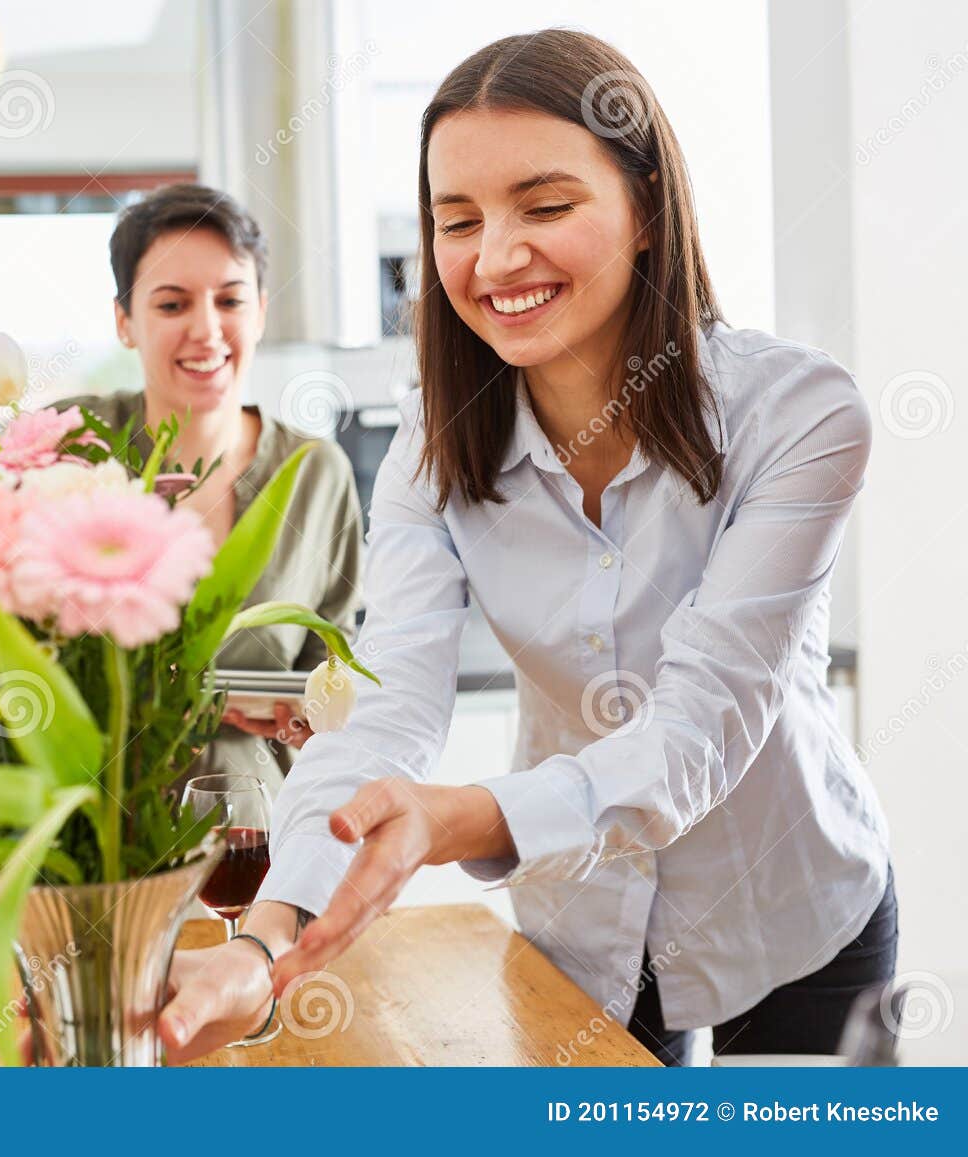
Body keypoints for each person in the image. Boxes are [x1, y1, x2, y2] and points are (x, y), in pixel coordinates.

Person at [158, 29, 894, 1066]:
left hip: (792, 913)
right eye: (455, 219)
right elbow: (389, 700)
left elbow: (695, 732)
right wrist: (265, 932)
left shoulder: (800, 413)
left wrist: (457, 817)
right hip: (583, 923)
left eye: (544, 207)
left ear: (645, 209)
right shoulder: (434, 435)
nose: (495, 256)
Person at [63, 183, 364, 795]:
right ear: (125, 321)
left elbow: (338, 662)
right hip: (95, 822)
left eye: (229, 300)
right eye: (171, 305)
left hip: (252, 828)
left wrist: (311, 720)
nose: (206, 330)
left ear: (259, 310)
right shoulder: (75, 446)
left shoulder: (314, 472)